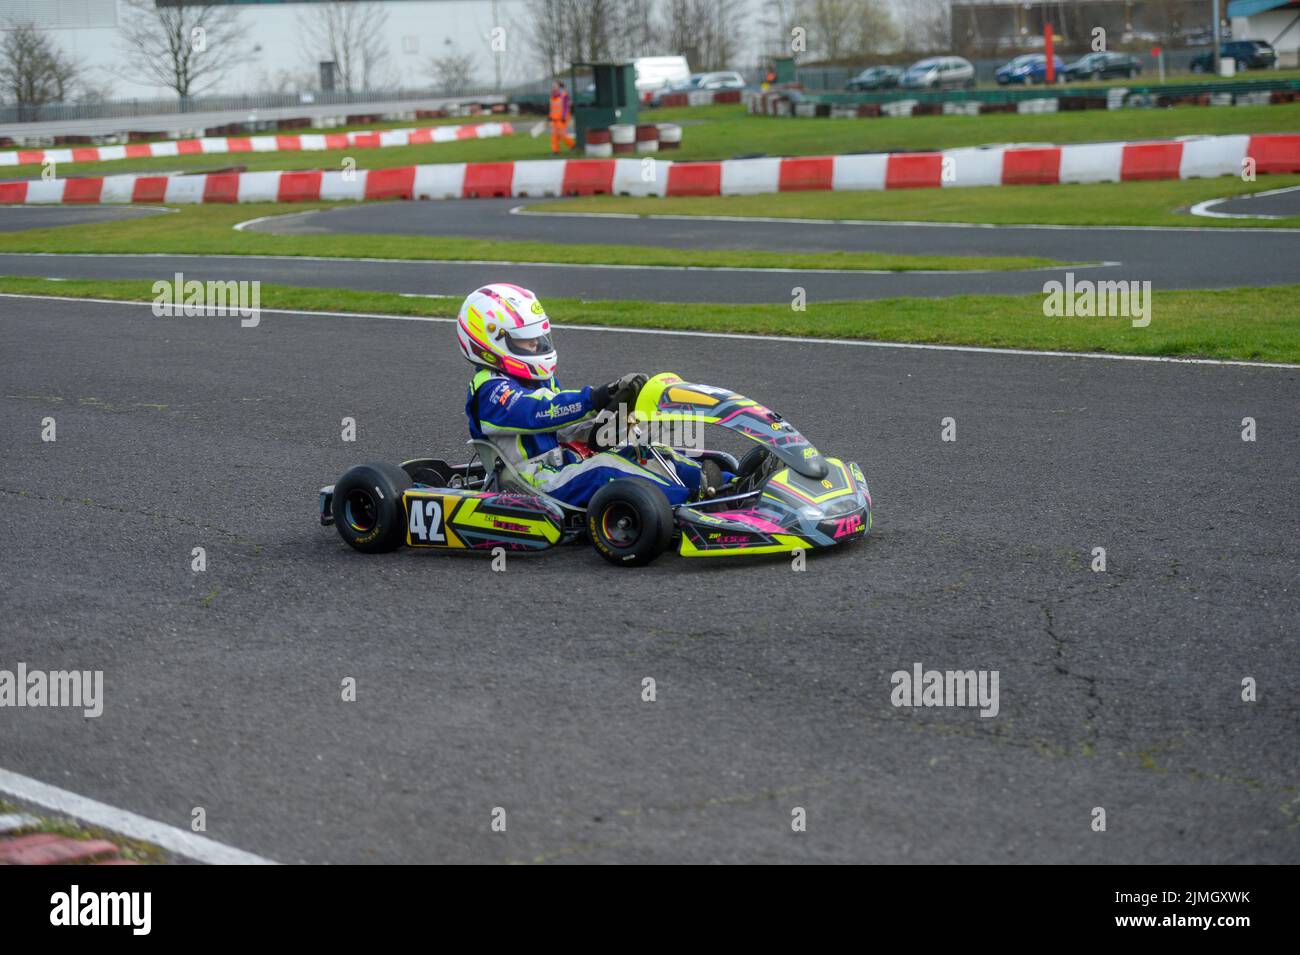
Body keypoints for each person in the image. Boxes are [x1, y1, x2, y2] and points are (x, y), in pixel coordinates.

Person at [458, 283, 715, 507]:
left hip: (563, 462)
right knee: (604, 470)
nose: (536, 345)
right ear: (490, 343)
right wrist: (595, 398)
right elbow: (539, 413)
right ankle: (692, 502)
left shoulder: (535, 380)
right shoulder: (491, 391)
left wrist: (610, 418)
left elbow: (562, 428)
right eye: (526, 340)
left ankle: (726, 484)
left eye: (538, 337)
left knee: (644, 450)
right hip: (531, 480)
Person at [548, 80, 576, 153]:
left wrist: (563, 117)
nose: (553, 87)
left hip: (562, 119)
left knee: (562, 135)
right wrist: (550, 116)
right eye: (552, 86)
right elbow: (552, 108)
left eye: (555, 86)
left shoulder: (564, 95)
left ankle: (572, 145)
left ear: (559, 86)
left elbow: (566, 107)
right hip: (554, 119)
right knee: (554, 135)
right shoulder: (552, 96)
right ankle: (555, 151)